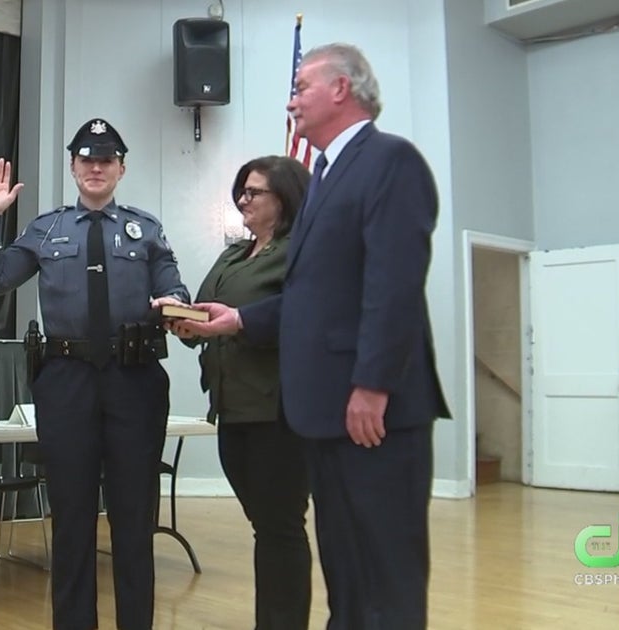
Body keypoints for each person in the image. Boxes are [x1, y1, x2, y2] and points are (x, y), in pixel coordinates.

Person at [173, 44, 451, 629]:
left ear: (341, 90)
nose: (291, 98)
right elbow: (315, 298)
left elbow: (393, 285)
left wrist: (372, 385)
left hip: (373, 413)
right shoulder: (326, 175)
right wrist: (241, 319)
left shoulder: (389, 161)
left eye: (301, 86)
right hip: (325, 415)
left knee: (384, 572)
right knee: (347, 572)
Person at [0, 118, 190, 630]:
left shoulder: (146, 228)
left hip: (133, 379)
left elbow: (174, 288)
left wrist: (174, 304)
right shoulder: (46, 229)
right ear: (73, 167)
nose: (96, 168)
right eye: (87, 159)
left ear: (121, 168)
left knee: (134, 518)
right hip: (66, 380)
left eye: (106, 160)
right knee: (71, 518)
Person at [166, 155, 312, 629]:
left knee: (280, 528)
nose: (243, 200)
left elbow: (309, 314)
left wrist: (235, 323)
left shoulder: (302, 252)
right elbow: (212, 311)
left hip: (280, 410)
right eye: (241, 192)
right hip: (232, 408)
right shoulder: (233, 254)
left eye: (254, 192)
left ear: (284, 198)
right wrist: (184, 321)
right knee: (265, 527)